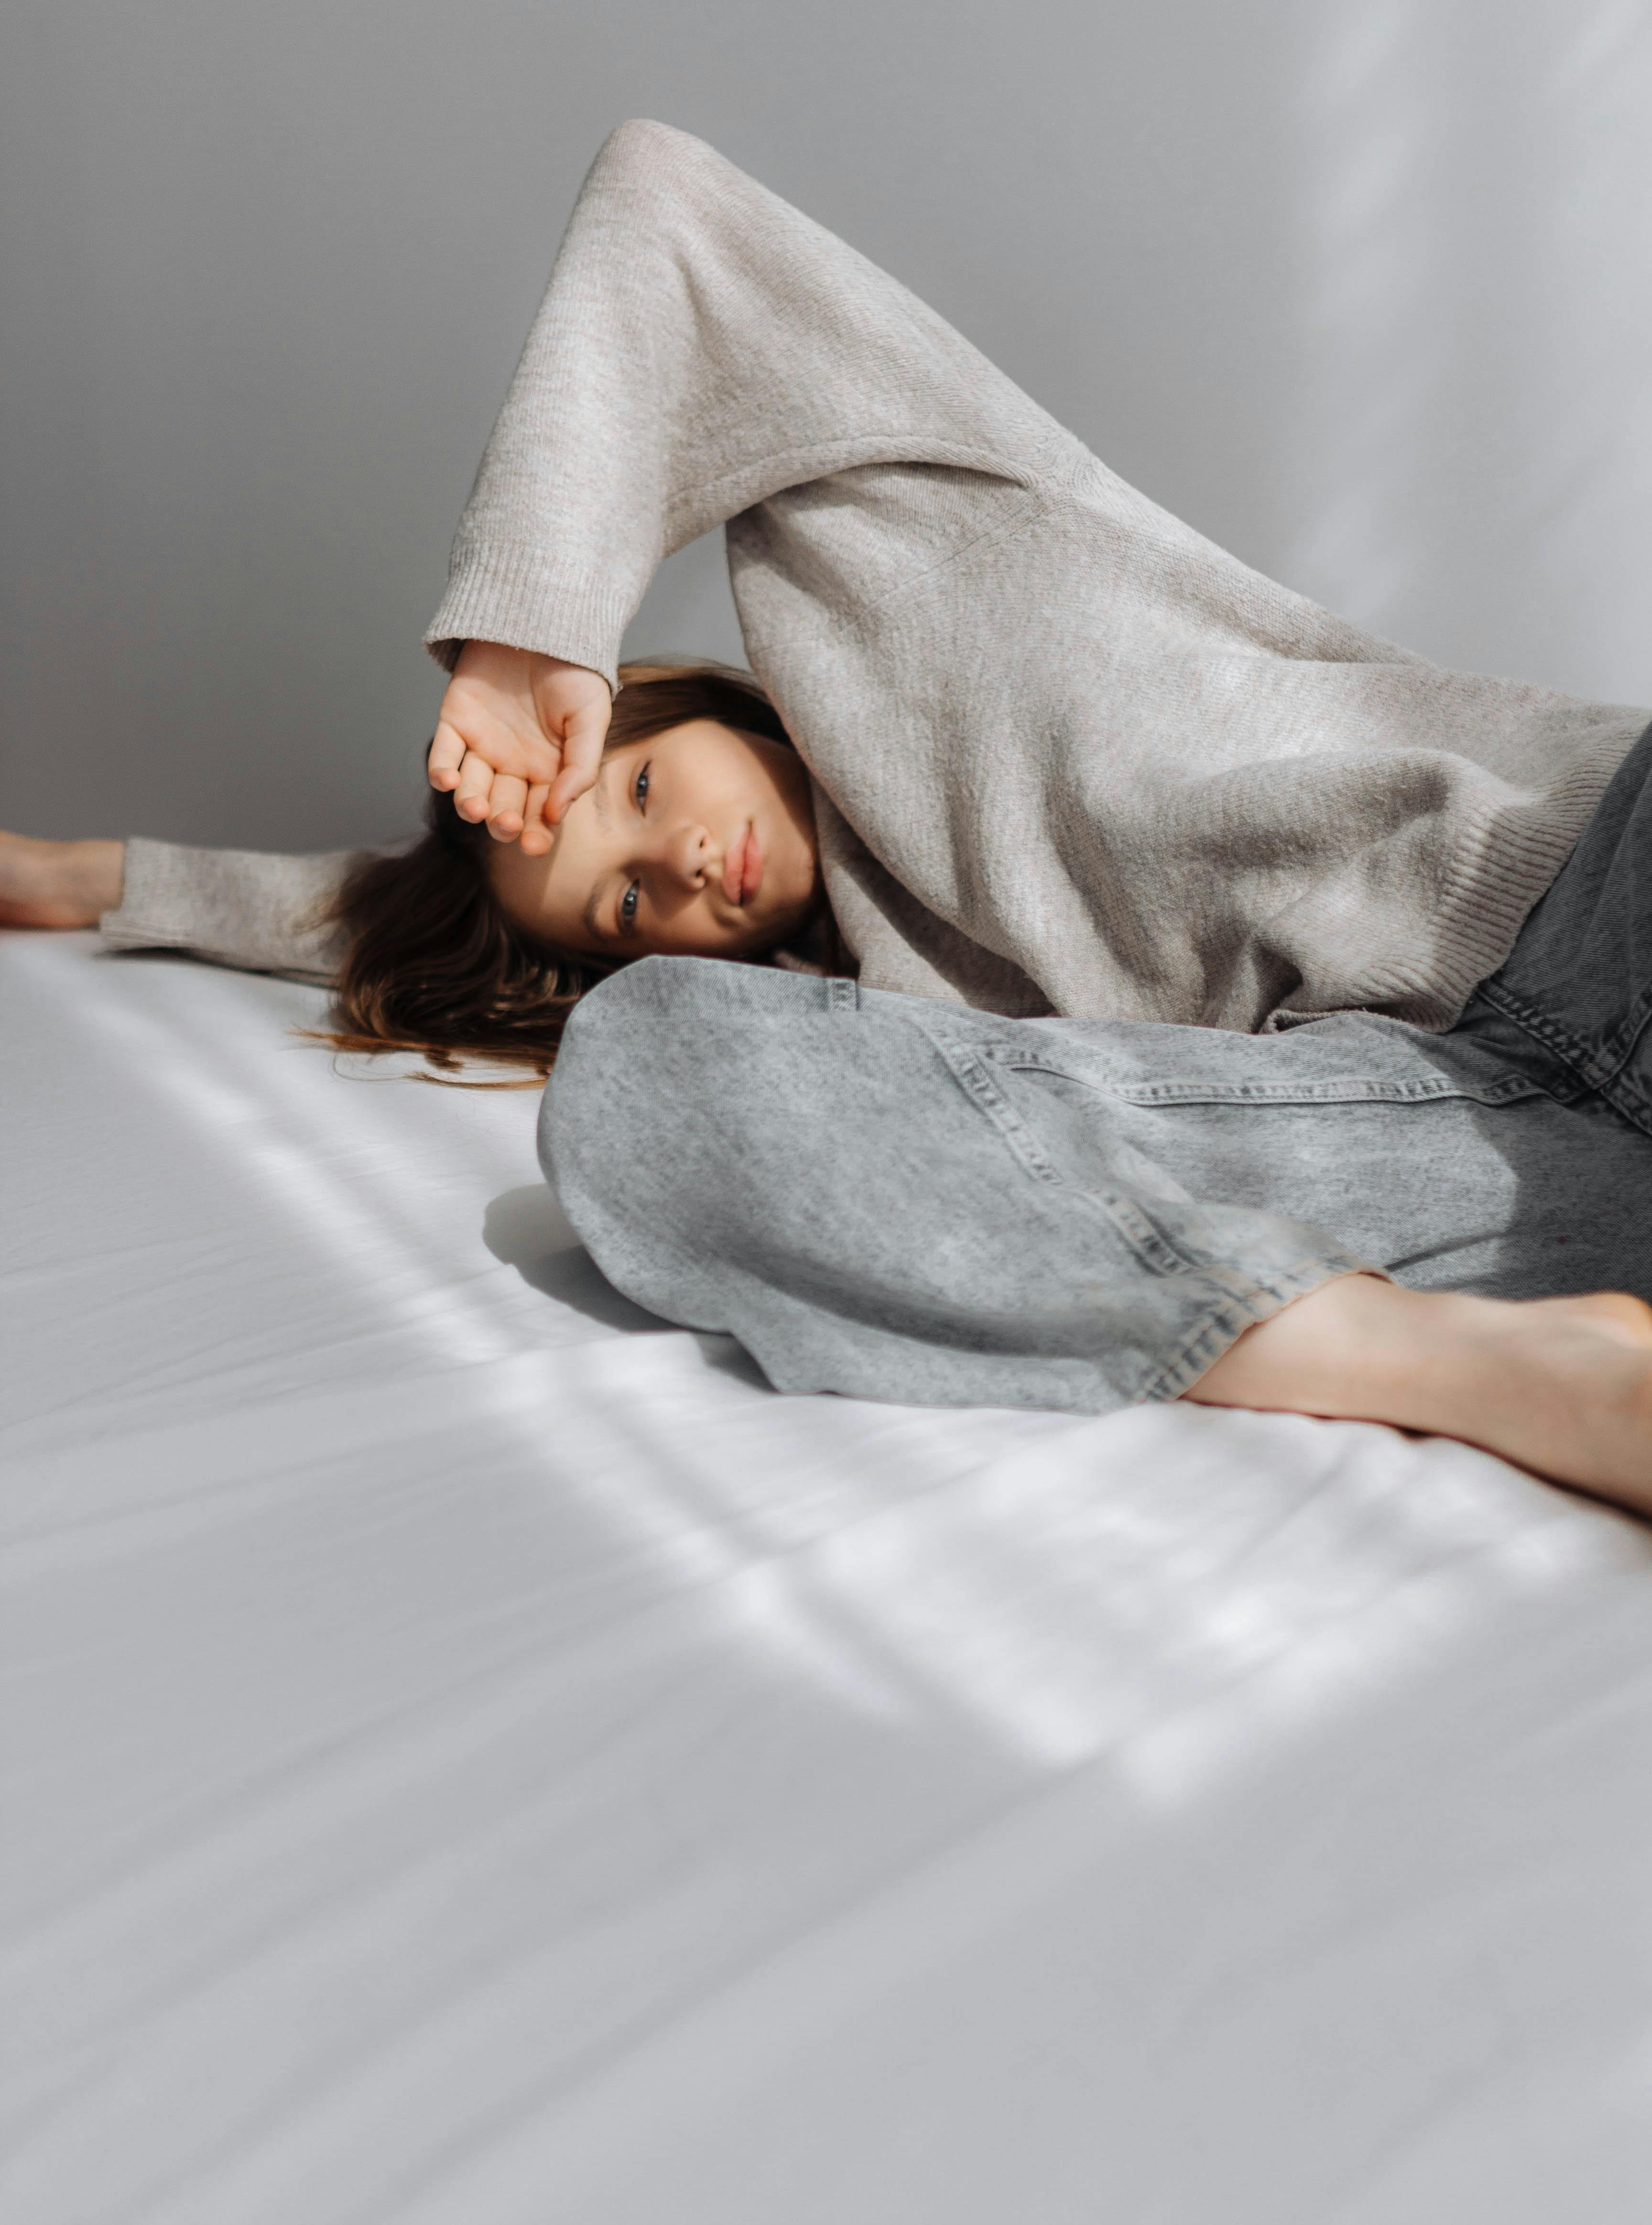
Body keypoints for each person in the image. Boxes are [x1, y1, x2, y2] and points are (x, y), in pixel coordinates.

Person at [4, 120, 1652, 1516]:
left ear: (692, 705)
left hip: (1601, 891)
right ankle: (1495, 1375)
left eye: (640, 789)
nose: (676, 866)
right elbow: (389, 918)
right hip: (1466, 1137)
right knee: (647, 1082)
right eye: (628, 900)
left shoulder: (886, 576)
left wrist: (533, 627)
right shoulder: (875, 1002)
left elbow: (671, 210)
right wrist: (103, 880)